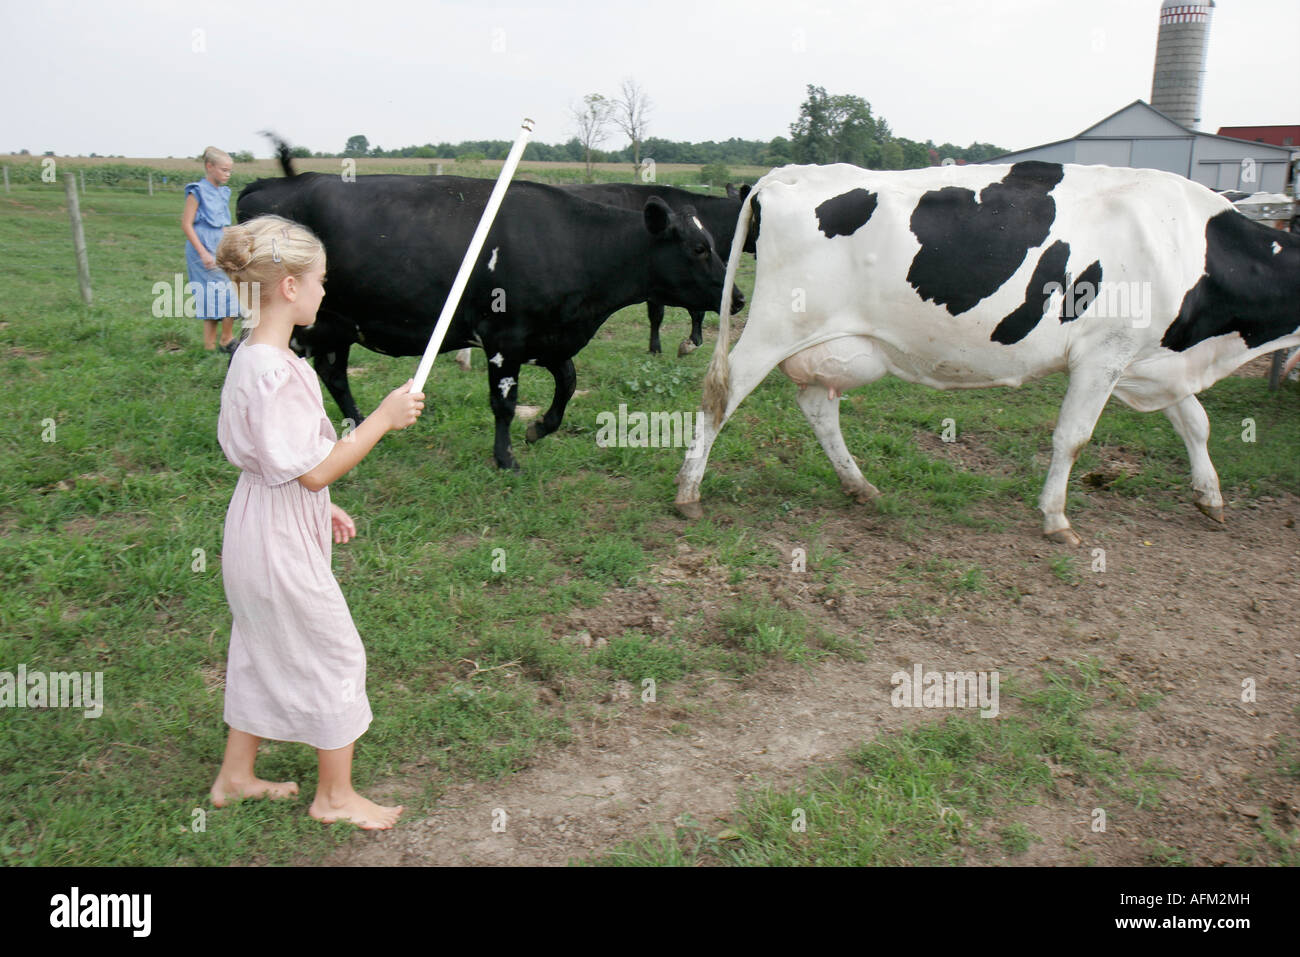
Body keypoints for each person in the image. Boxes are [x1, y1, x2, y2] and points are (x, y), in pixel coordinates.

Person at [209, 215, 425, 830]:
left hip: (259, 520)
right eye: (321, 281)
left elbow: (280, 461)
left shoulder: (256, 356)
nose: (326, 292)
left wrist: (315, 504)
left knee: (258, 646)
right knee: (333, 654)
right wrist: (380, 419)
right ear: (289, 288)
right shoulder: (276, 372)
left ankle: (235, 775)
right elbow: (311, 470)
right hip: (276, 542)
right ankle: (334, 797)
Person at [182, 147, 241, 352]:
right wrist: (203, 253)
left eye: (229, 171)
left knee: (226, 291)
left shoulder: (223, 193)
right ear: (210, 167)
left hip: (220, 245)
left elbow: (224, 225)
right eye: (224, 170)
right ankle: (224, 340)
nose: (227, 174)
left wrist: (231, 248)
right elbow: (187, 224)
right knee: (217, 293)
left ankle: (213, 345)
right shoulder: (196, 191)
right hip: (202, 247)